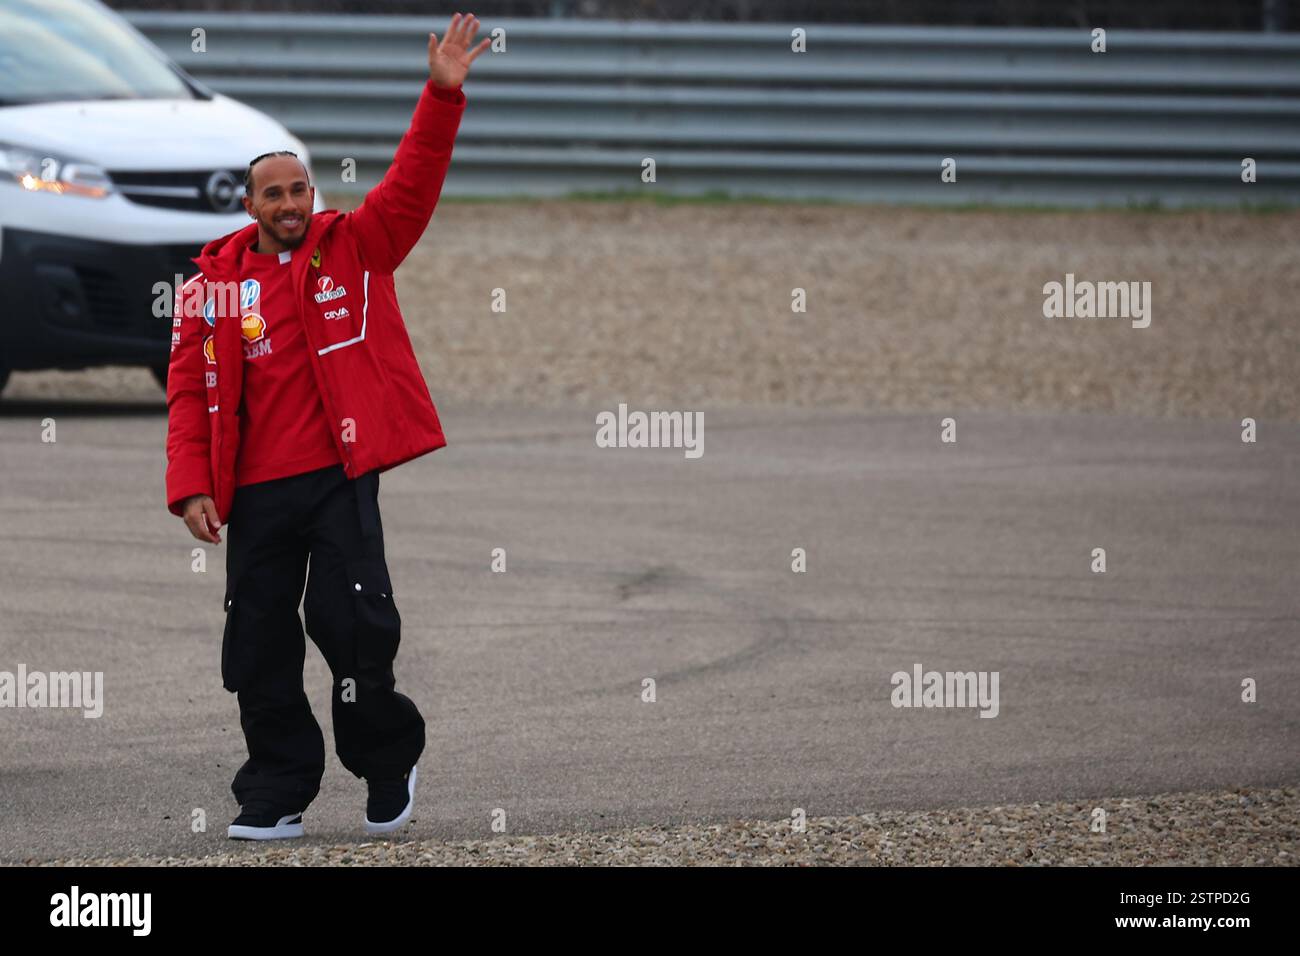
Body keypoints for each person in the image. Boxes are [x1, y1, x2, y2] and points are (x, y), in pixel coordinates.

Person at [163, 14, 489, 840]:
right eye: (272, 194)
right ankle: (275, 789)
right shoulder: (208, 286)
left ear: (313, 195)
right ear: (250, 204)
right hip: (256, 493)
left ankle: (386, 763)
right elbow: (186, 396)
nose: (288, 205)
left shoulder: (356, 247)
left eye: (299, 190)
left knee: (353, 627)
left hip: (339, 479)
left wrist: (441, 96)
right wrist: (191, 487)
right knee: (259, 645)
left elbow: (412, 185)